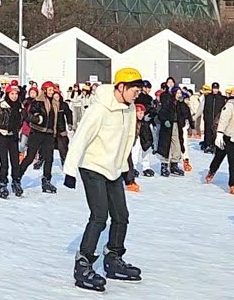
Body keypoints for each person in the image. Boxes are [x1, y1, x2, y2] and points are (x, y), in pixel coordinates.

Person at [64, 67, 143, 290]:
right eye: (133, 89)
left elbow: (128, 140)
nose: (137, 93)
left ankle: (113, 258)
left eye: (138, 89)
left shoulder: (129, 109)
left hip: (113, 168)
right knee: (100, 215)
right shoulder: (99, 109)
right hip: (92, 165)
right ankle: (83, 263)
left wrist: (127, 168)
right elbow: (80, 138)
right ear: (121, 87)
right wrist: (70, 170)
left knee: (121, 215)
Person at [0, 83, 26, 198]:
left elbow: (27, 117)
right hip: (1, 135)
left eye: (16, 94)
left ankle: (16, 181)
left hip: (13, 136)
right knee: (4, 162)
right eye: (12, 94)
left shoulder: (19, 106)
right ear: (8, 94)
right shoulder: (1, 106)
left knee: (15, 161)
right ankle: (3, 182)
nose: (14, 96)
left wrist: (38, 119)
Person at [21, 81, 62, 193]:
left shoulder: (55, 103)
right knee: (30, 157)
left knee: (49, 158)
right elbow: (33, 113)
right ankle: (18, 175)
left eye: (53, 90)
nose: (52, 92)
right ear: (44, 90)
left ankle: (46, 180)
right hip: (37, 132)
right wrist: (38, 118)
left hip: (48, 134)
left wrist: (58, 131)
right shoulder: (38, 101)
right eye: (49, 90)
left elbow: (56, 119)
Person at [201, 82, 224, 153]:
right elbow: (205, 108)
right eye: (214, 88)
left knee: (215, 133)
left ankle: (214, 145)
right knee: (208, 132)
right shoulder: (208, 97)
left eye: (216, 89)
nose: (215, 90)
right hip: (209, 117)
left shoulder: (221, 98)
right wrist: (205, 117)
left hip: (217, 119)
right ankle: (208, 145)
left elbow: (222, 109)